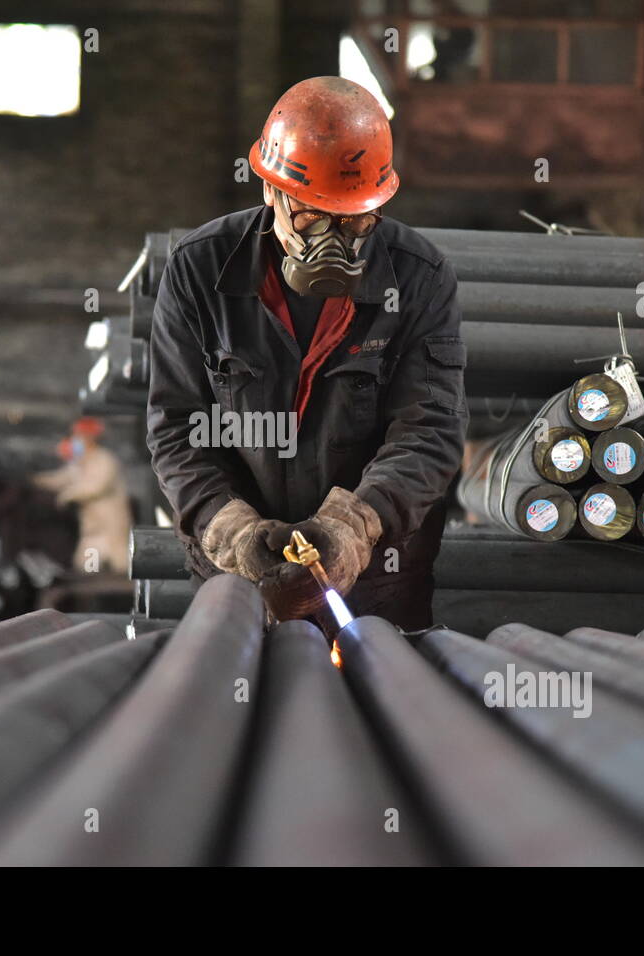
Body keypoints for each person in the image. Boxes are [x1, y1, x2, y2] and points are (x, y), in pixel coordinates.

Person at [146, 76, 468, 629]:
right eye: (314, 216)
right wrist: (234, 533)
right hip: (239, 583)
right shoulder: (200, 271)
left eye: (355, 220)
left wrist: (354, 528)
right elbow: (177, 427)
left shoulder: (421, 279)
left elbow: (429, 430)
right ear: (270, 190)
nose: (336, 242)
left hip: (376, 585)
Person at [35, 417, 131, 575]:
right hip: (92, 530)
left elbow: (95, 487)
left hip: (111, 528)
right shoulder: (80, 464)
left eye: (79, 436)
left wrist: (68, 495)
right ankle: (94, 595)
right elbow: (59, 479)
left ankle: (123, 595)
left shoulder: (104, 460)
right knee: (88, 569)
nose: (74, 440)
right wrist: (35, 479)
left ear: (90, 438)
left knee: (120, 569)